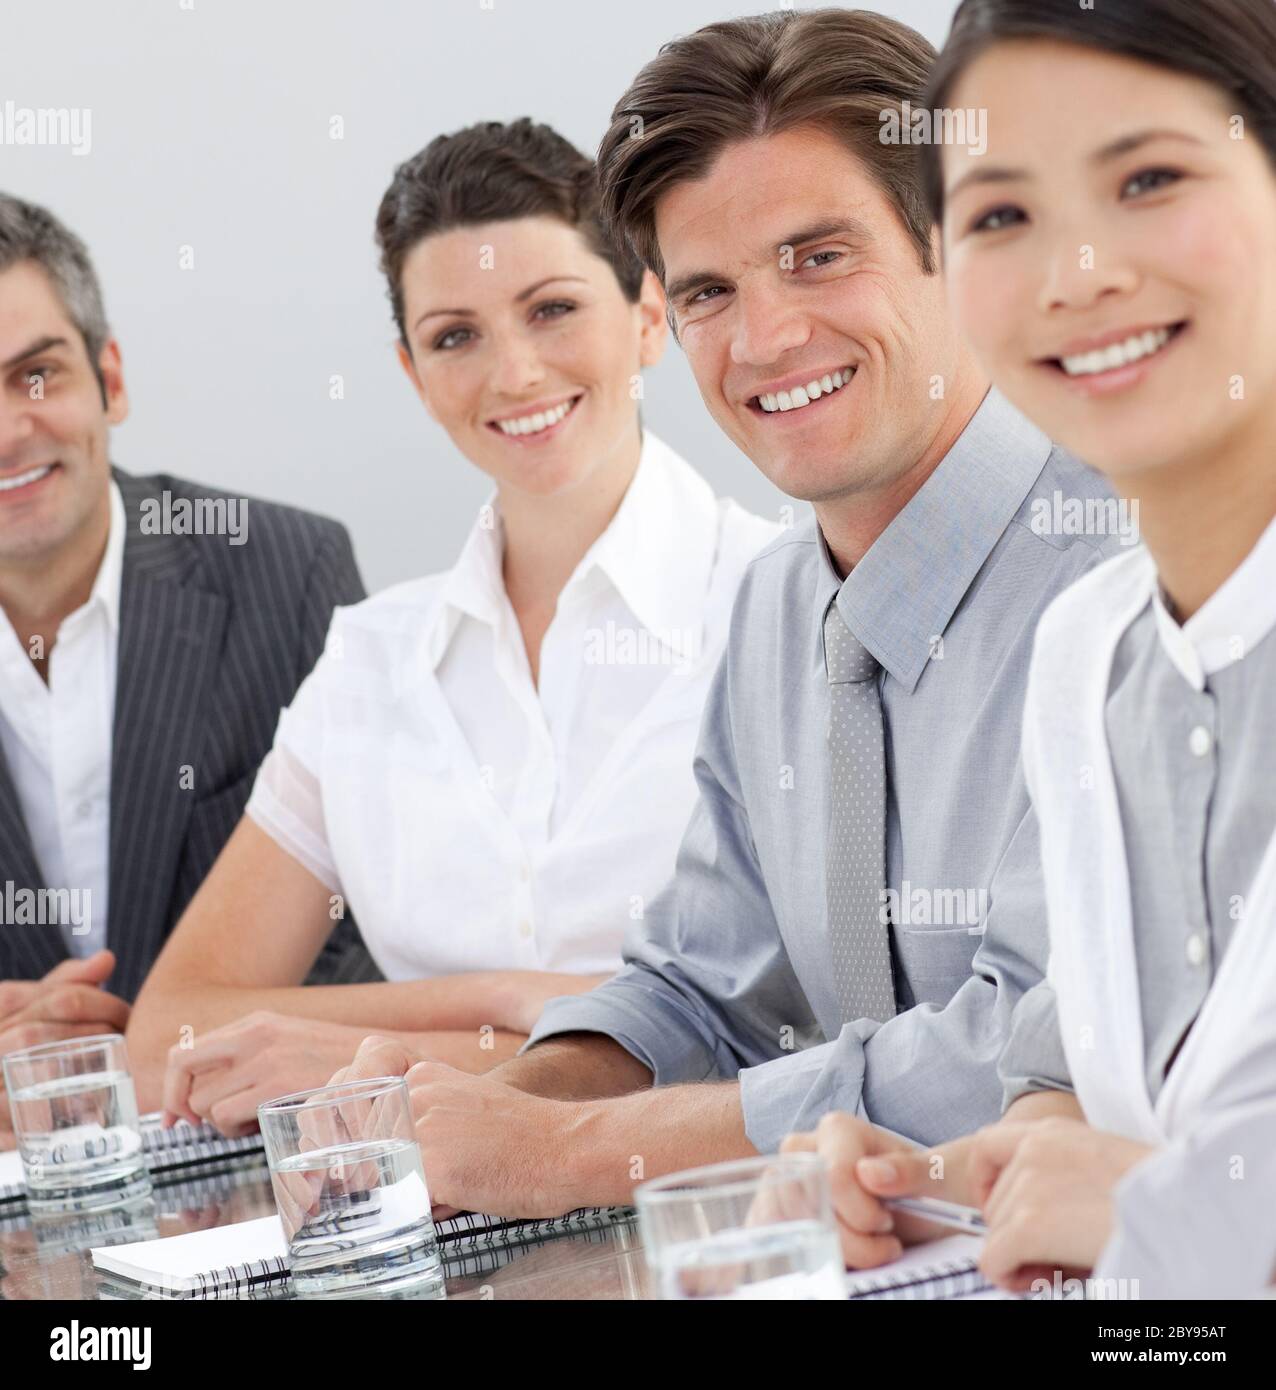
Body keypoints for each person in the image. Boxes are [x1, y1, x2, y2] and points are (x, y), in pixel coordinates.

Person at [329, 9, 1125, 1240]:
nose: (763, 340)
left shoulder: (1126, 566)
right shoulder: (772, 610)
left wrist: (575, 1151)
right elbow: (704, 985)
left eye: (818, 256)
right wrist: (476, 1112)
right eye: (707, 290)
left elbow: (1022, 1048)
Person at [127, 119, 780, 1125]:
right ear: (413, 374)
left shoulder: (781, 602)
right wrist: (507, 1006)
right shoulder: (371, 662)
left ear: (648, 315)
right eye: (455, 336)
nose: (512, 373)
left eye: (552, 309)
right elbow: (167, 1028)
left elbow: (803, 1030)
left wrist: (384, 1051)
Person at [800, 0, 1276, 1296]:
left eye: (1151, 178)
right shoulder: (1088, 653)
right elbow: (1087, 1097)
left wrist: (1154, 1213)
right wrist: (946, 1176)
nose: (1078, 273)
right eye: (1004, 215)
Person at [0, 194, 373, 1142]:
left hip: (255, 1163)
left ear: (109, 378)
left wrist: (141, 1062)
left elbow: (371, 914)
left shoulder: (289, 574)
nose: (9, 432)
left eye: (35, 375)